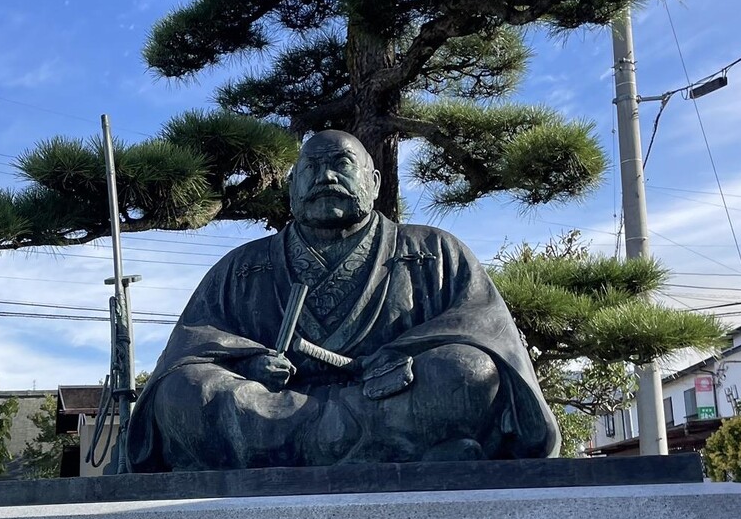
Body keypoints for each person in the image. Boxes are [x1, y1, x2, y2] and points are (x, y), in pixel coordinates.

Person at [124, 129, 560, 472]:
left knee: (470, 369)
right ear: (292, 186)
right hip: (271, 405)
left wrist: (401, 353)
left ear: (374, 182)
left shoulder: (433, 251)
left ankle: (318, 449)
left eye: (341, 164)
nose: (326, 177)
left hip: (392, 397)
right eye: (311, 168)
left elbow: (482, 327)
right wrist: (249, 364)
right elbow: (192, 348)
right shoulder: (242, 267)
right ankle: (391, 449)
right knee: (184, 391)